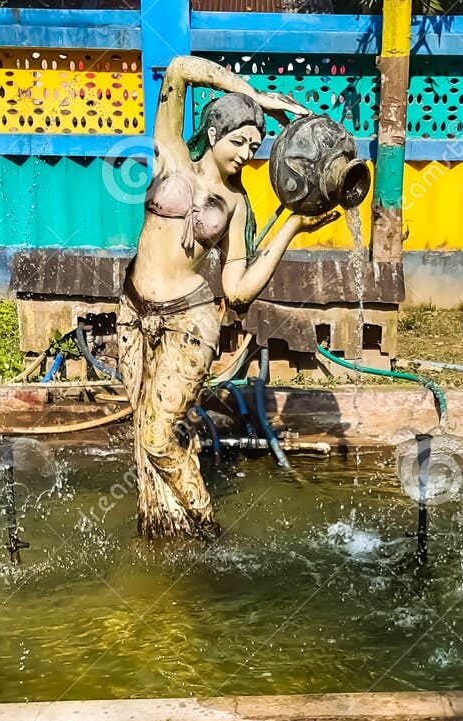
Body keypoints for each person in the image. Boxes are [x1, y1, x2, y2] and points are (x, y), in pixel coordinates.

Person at [118, 56, 335, 538]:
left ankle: (207, 528)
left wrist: (292, 228)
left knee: (157, 437)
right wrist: (254, 97)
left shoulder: (236, 206)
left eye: (254, 147)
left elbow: (236, 291)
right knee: (146, 430)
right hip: (131, 310)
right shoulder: (171, 154)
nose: (246, 154)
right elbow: (177, 70)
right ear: (214, 134)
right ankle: (161, 527)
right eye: (239, 141)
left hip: (188, 322)